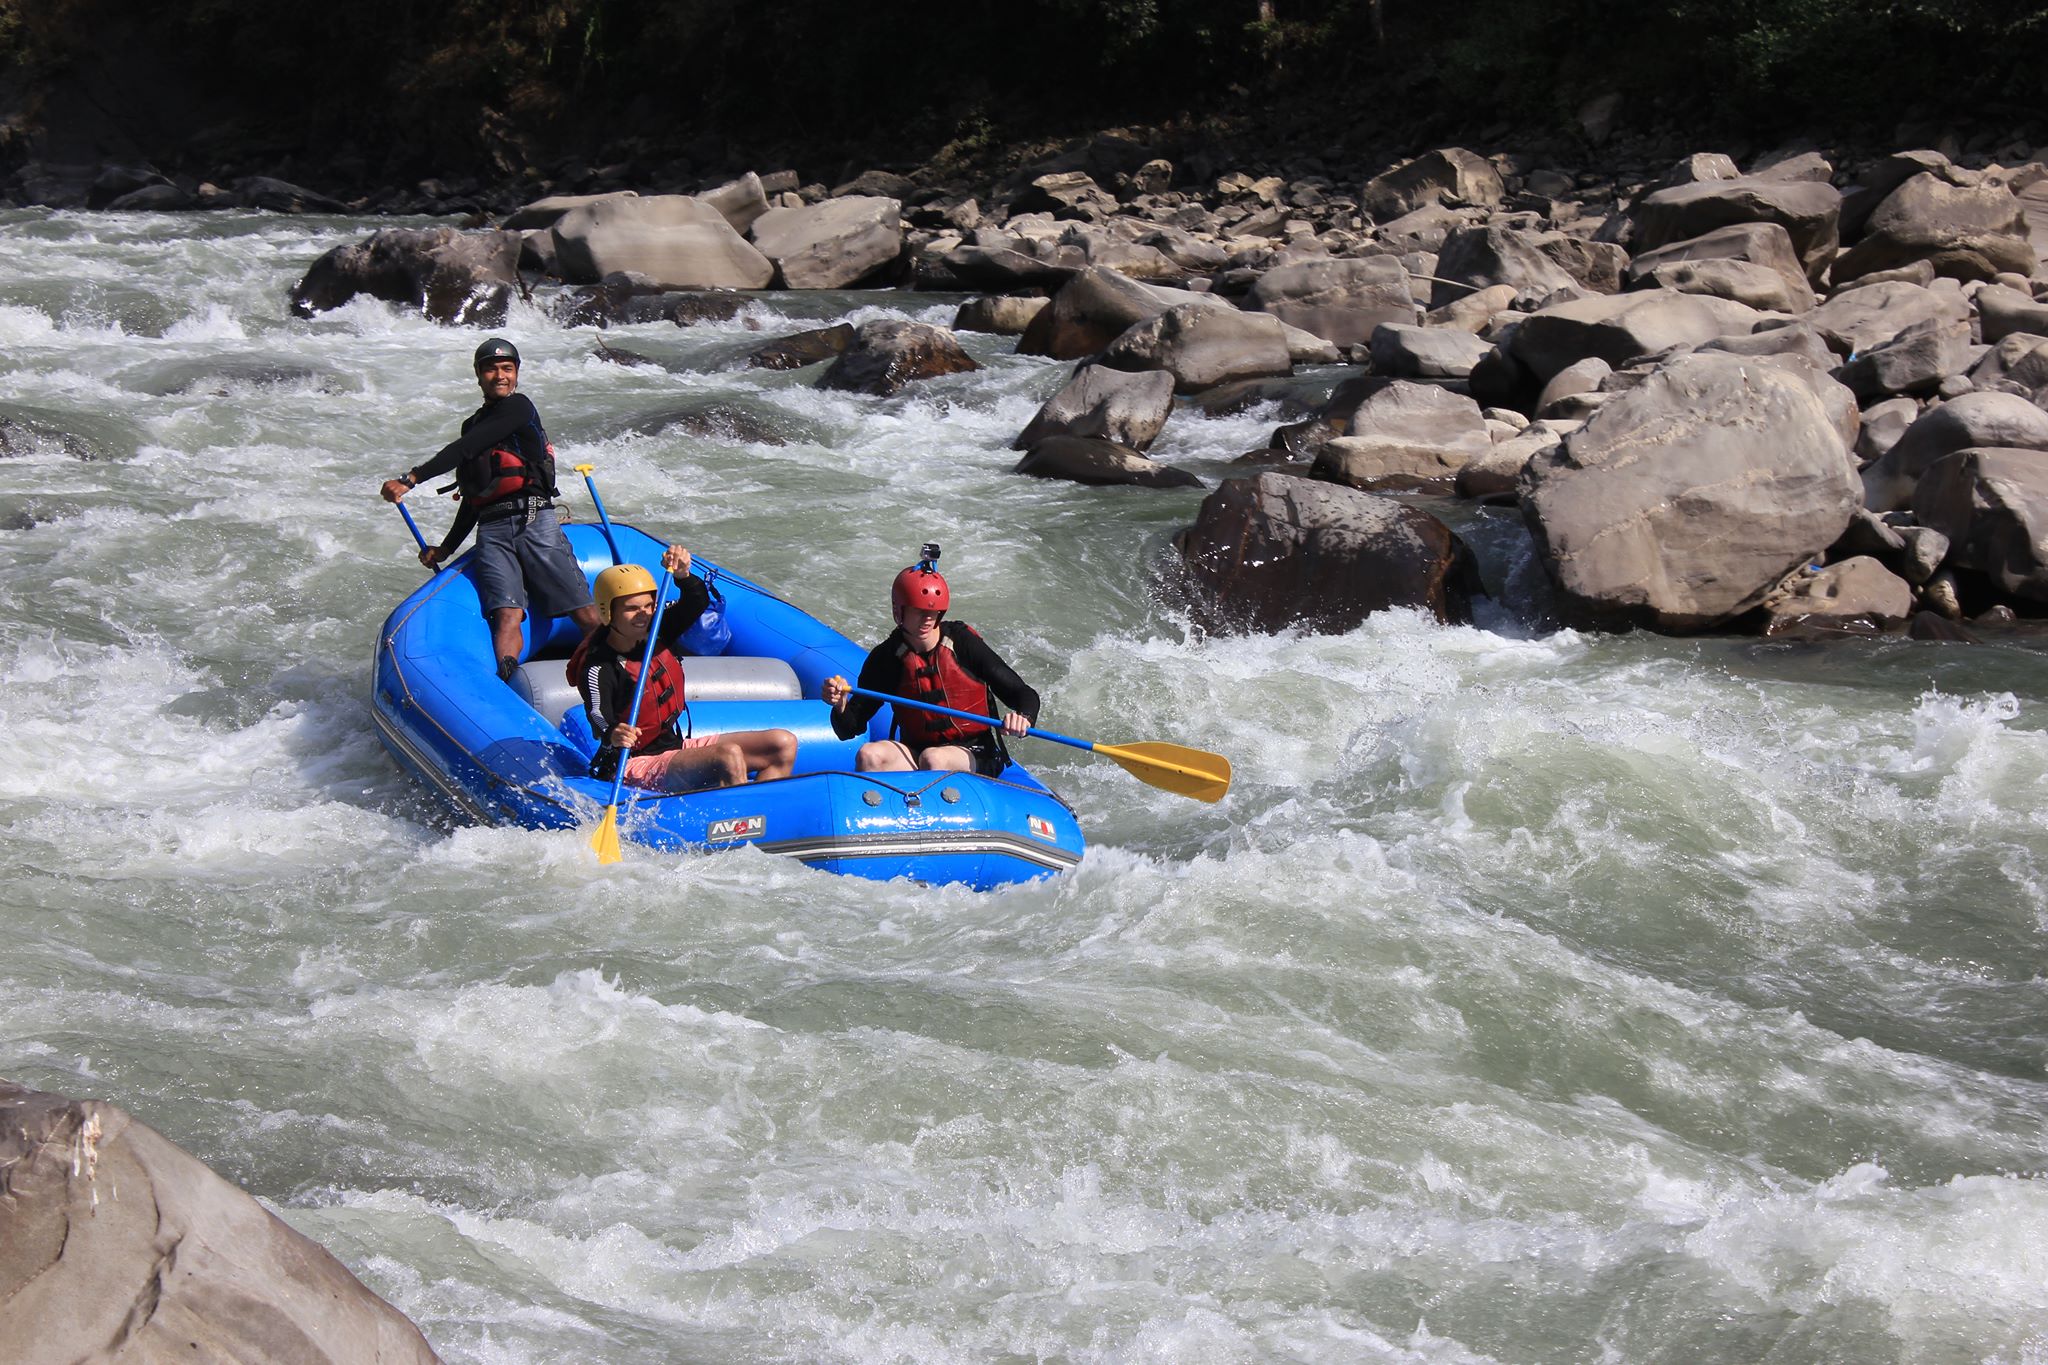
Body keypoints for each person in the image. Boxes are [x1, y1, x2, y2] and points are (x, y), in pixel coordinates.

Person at [380, 337, 601, 682]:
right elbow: (474, 495)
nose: (500, 376)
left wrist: (412, 479)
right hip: (492, 529)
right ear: (478, 375)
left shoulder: (519, 408)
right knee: (507, 615)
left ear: (516, 374)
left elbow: (465, 448)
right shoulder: (472, 424)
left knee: (581, 608)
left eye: (507, 369)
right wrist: (447, 547)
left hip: (533, 520)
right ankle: (509, 684)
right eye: (491, 369)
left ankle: (620, 671)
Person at [571, 543, 798, 791]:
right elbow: (597, 714)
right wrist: (614, 733)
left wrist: (683, 575)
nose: (643, 615)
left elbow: (696, 601)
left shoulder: (657, 633)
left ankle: (762, 809)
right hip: (632, 763)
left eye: (648, 606)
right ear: (608, 612)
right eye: (632, 609)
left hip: (675, 748)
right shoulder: (600, 665)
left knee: (782, 743)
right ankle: (740, 812)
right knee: (728, 755)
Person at [821, 548, 1037, 776]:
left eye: (932, 612)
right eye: (918, 611)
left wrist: (1023, 717)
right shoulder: (887, 658)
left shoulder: (963, 643)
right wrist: (840, 705)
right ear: (899, 611)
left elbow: (1023, 693)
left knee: (933, 759)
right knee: (869, 755)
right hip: (917, 751)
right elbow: (849, 728)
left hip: (976, 751)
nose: (927, 620)